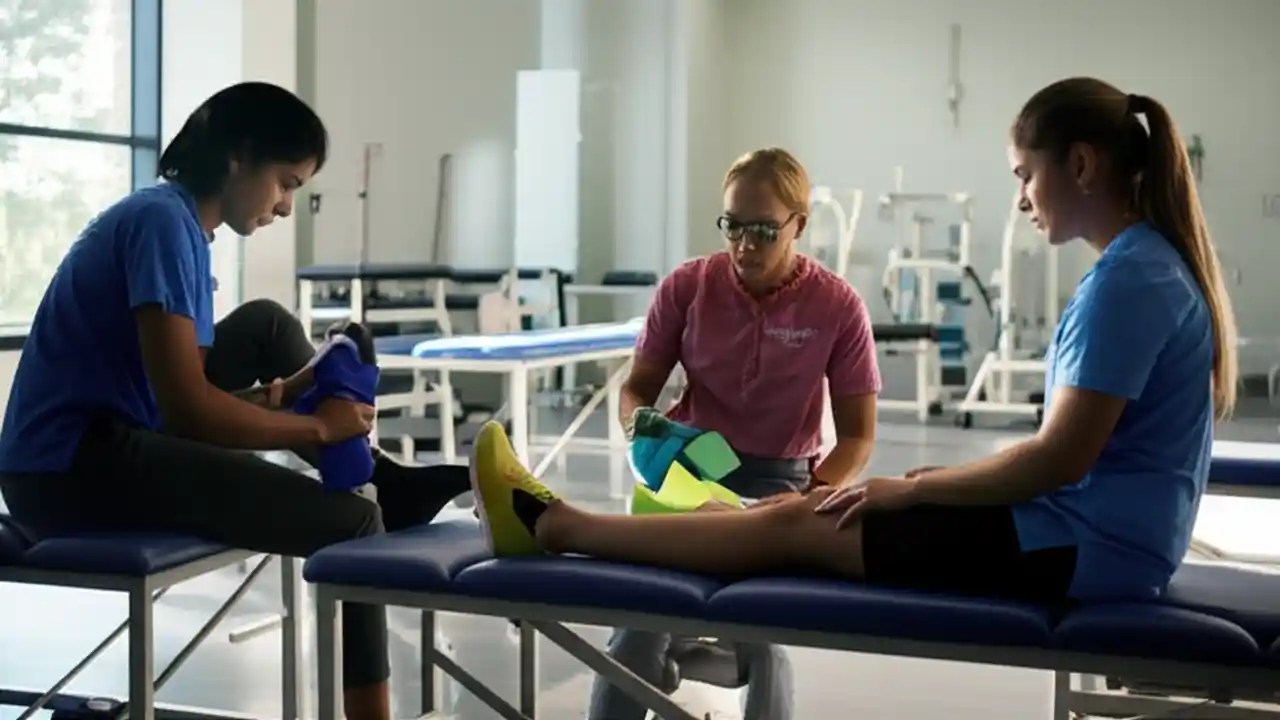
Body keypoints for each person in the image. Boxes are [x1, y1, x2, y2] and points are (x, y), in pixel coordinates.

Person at [467, 74, 1238, 649]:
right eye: (732, 226)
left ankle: (554, 524)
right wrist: (905, 491)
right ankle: (560, 523)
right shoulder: (1141, 267)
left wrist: (907, 489)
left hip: (1087, 550)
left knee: (805, 523)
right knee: (807, 518)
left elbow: (1058, 460)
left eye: (1022, 176)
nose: (1021, 199)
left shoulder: (1132, 278)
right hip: (1088, 538)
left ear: (1079, 164)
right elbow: (1060, 462)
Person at [0, 82, 471, 720]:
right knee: (357, 525)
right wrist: (317, 431)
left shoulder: (184, 229)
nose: (283, 206)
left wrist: (292, 393)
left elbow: (175, 404)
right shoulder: (162, 223)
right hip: (66, 472)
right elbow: (189, 413)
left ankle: (381, 477)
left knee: (269, 325)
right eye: (285, 183)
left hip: (107, 444)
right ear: (237, 157)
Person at [589, 147, 881, 720]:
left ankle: (695, 660)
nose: (745, 245)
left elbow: (858, 437)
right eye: (733, 227)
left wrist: (806, 499)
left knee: (763, 635)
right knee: (638, 624)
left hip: (783, 479)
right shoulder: (688, 287)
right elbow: (638, 386)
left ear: (799, 223)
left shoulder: (837, 305)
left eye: (765, 231)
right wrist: (640, 429)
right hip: (689, 473)